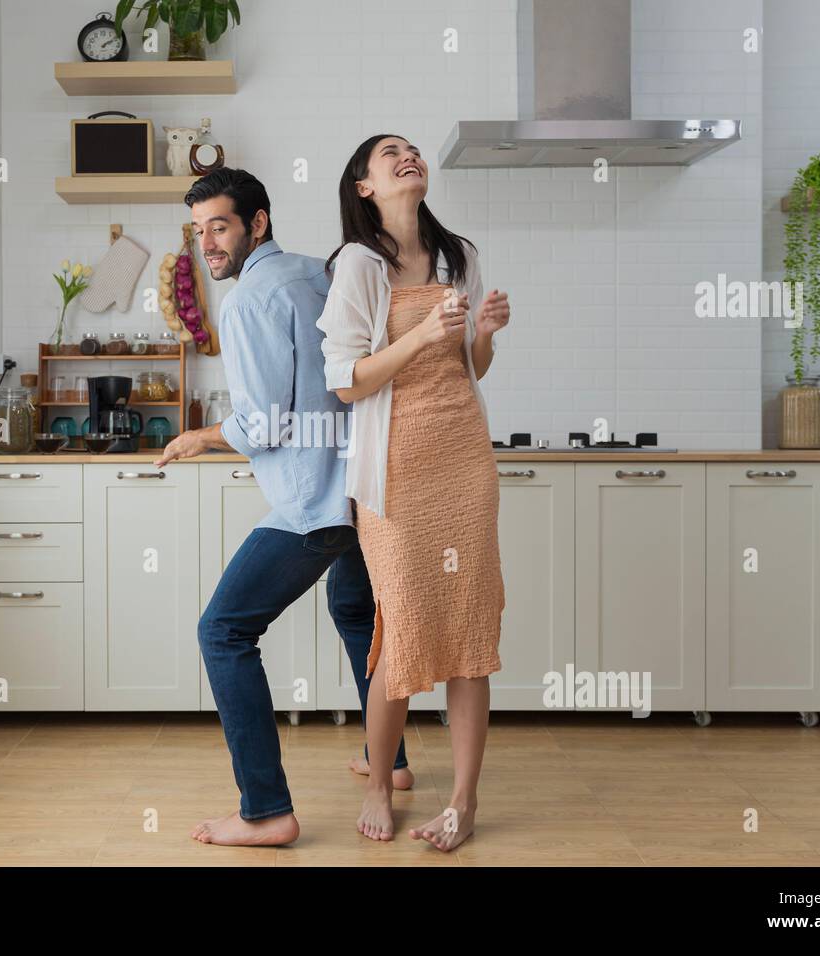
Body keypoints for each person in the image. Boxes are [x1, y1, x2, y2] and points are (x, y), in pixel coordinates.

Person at [155, 167, 411, 847]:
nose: (209, 242)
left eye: (222, 225)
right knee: (355, 609)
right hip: (363, 486)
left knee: (224, 632)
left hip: (312, 502)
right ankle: (394, 760)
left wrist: (199, 437)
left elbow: (263, 423)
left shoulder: (248, 302)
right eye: (200, 228)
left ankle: (266, 811)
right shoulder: (318, 272)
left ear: (256, 223)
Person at [316, 134, 510, 851]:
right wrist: (425, 332)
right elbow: (347, 380)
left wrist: (481, 335)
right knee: (399, 621)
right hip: (395, 472)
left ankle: (464, 801)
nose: (408, 156)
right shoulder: (360, 266)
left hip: (463, 460)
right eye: (389, 153)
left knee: (467, 632)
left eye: (413, 150)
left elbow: (471, 370)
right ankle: (379, 779)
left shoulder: (459, 253)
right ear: (364, 185)